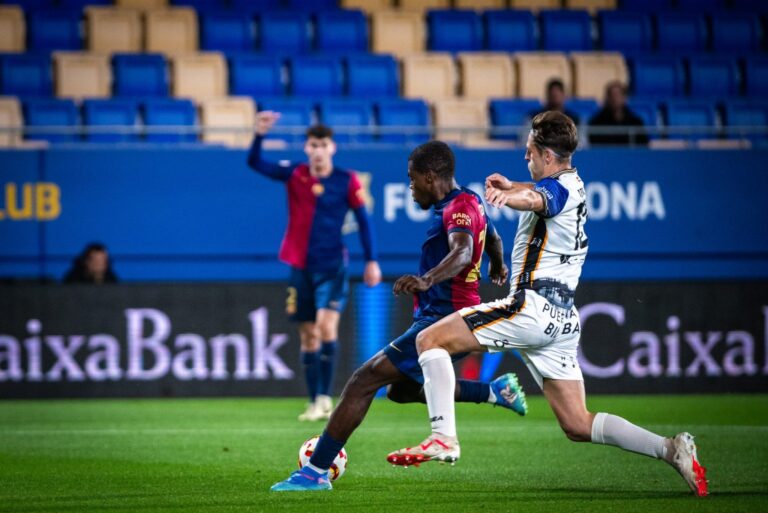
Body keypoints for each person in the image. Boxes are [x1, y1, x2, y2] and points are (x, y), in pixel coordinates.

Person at [387, 112, 708, 498]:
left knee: (429, 341)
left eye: (529, 153)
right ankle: (670, 449)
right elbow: (542, 191)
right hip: (563, 319)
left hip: (532, 307)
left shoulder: (553, 192)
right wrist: (515, 185)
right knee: (577, 424)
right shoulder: (574, 184)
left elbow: (538, 197)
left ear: (546, 155)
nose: (526, 159)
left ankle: (443, 438)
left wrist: (511, 195)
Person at [270, 140, 529, 492]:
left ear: (429, 176)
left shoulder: (459, 206)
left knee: (363, 381)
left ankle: (314, 471)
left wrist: (426, 279)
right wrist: (498, 263)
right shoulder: (469, 201)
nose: (409, 188)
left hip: (446, 319)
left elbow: (464, 250)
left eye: (411, 180)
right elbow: (493, 238)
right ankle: (494, 392)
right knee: (402, 391)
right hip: (446, 315)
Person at [247, 112, 382, 422]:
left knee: (325, 328)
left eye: (322, 144)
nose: (317, 150)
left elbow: (363, 221)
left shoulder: (346, 181)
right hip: (299, 266)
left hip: (332, 265)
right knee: (308, 335)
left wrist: (371, 259)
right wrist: (258, 134)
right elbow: (255, 163)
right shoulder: (295, 174)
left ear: (331, 148)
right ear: (306, 149)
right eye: (312, 145)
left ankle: (325, 397)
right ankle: (313, 400)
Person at [588, 80, 649, 146]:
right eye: (612, 95)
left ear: (624, 98)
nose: (615, 99)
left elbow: (643, 145)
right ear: (607, 98)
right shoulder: (596, 123)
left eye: (618, 95)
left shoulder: (635, 122)